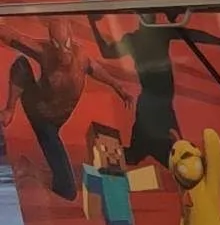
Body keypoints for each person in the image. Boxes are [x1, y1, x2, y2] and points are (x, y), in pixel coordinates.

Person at [81, 0, 220, 171]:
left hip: (155, 103)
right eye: (149, 13)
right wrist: (92, 23)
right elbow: (107, 51)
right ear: (140, 16)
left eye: (153, 13)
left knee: (142, 155)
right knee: (176, 158)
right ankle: (99, 147)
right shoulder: (134, 39)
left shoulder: (160, 33)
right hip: (154, 104)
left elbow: (192, 34)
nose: (153, 17)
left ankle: (100, 146)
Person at [1, 18, 135, 201]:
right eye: (58, 47)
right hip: (41, 114)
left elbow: (95, 69)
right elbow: (14, 37)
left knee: (65, 184)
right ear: (52, 44)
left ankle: (32, 168)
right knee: (67, 190)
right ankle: (29, 167)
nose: (63, 53)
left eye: (66, 45)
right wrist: (10, 108)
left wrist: (118, 86)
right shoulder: (44, 52)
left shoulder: (81, 58)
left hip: (58, 119)